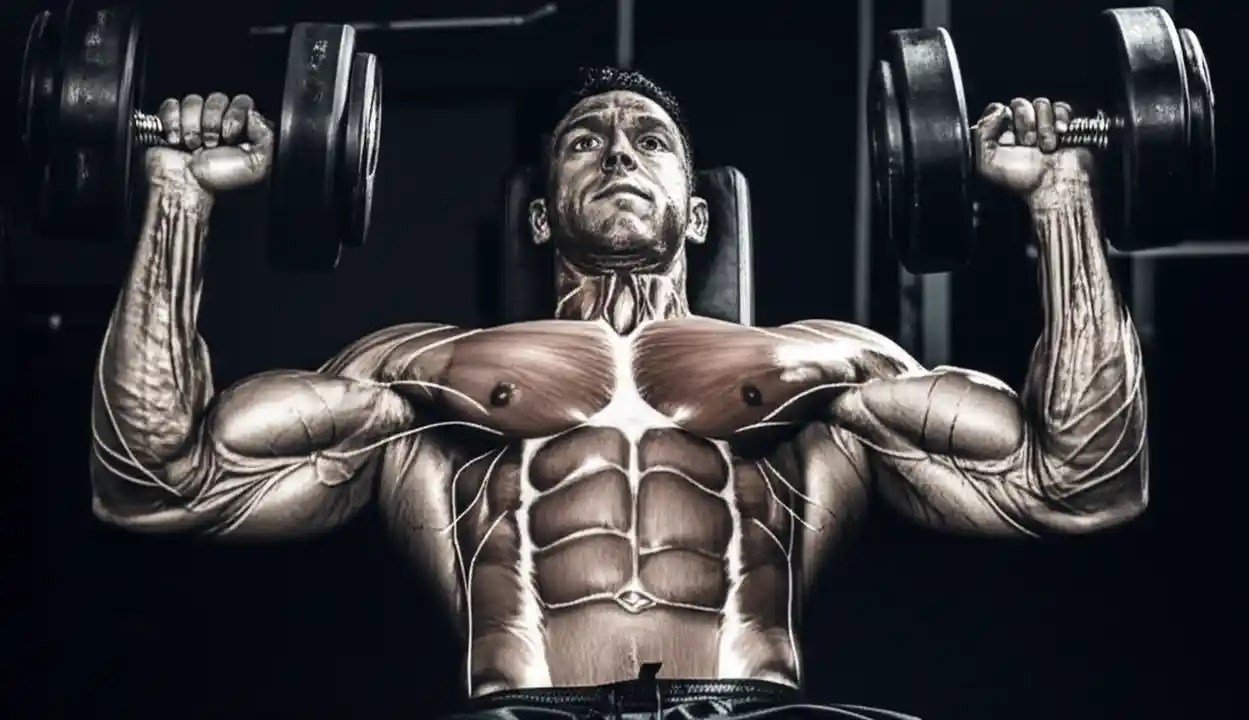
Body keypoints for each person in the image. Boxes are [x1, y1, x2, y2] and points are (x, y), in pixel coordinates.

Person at [90, 67, 1147, 719]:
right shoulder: (419, 371)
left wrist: (1060, 199)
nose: (617, 152)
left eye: (650, 141)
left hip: (747, 710)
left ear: (695, 213)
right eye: (583, 140)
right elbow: (159, 479)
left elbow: (1076, 482)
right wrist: (178, 197)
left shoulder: (826, 368)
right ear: (541, 216)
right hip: (522, 711)